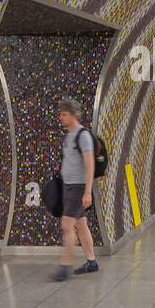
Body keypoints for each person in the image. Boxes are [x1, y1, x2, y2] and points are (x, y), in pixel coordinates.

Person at [50, 97, 99, 281]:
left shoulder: (82, 135)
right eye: (60, 114)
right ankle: (92, 262)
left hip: (78, 188)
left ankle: (65, 267)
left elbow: (89, 163)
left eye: (64, 114)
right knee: (81, 224)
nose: (61, 117)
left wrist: (87, 191)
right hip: (69, 186)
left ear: (73, 115)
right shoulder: (70, 135)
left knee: (66, 225)